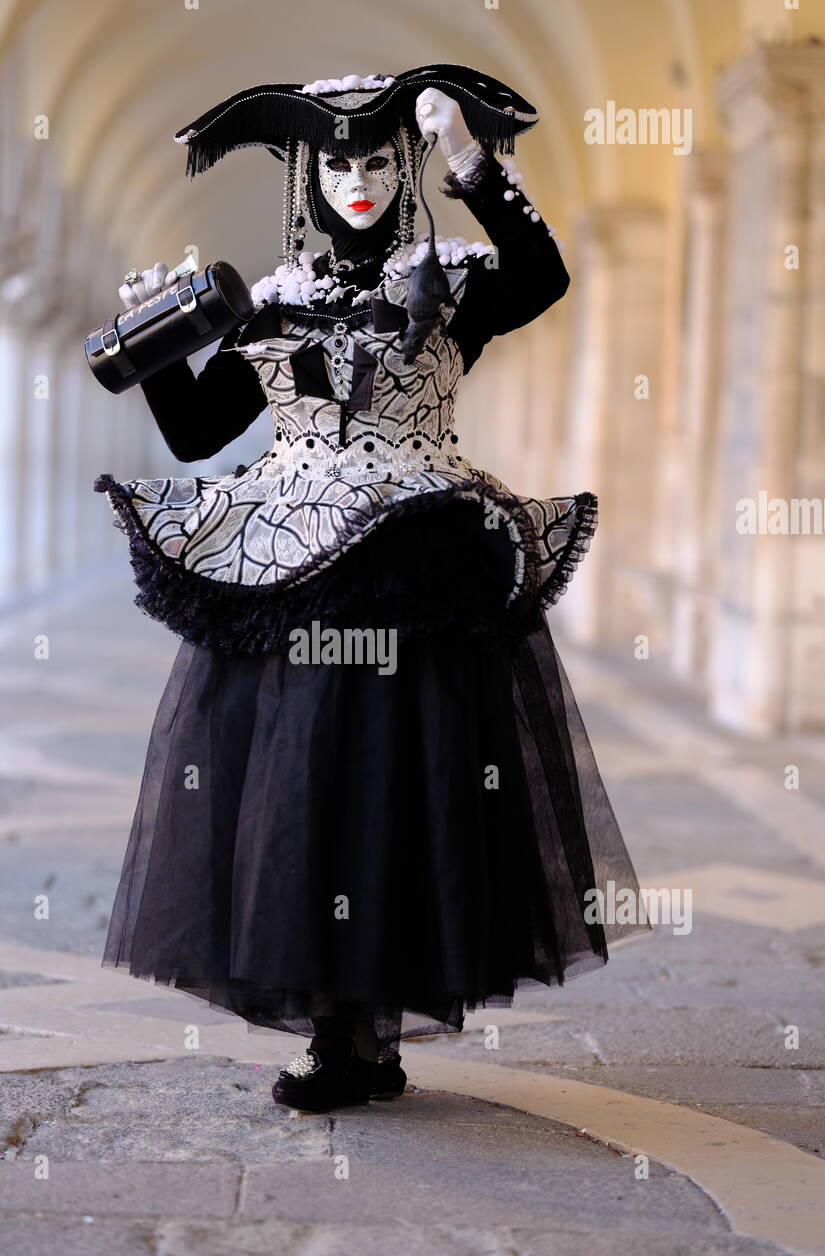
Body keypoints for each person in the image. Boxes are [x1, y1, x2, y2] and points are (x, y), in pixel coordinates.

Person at [95, 66, 648, 1114]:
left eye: (379, 161)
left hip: (418, 557)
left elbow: (544, 273)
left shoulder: (456, 274)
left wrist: (475, 164)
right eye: (337, 163)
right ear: (306, 175)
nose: (358, 180)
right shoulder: (273, 298)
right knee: (303, 783)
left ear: (406, 170)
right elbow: (201, 430)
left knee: (406, 780)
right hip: (289, 555)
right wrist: (157, 340)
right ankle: (338, 1030)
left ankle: (369, 1026)